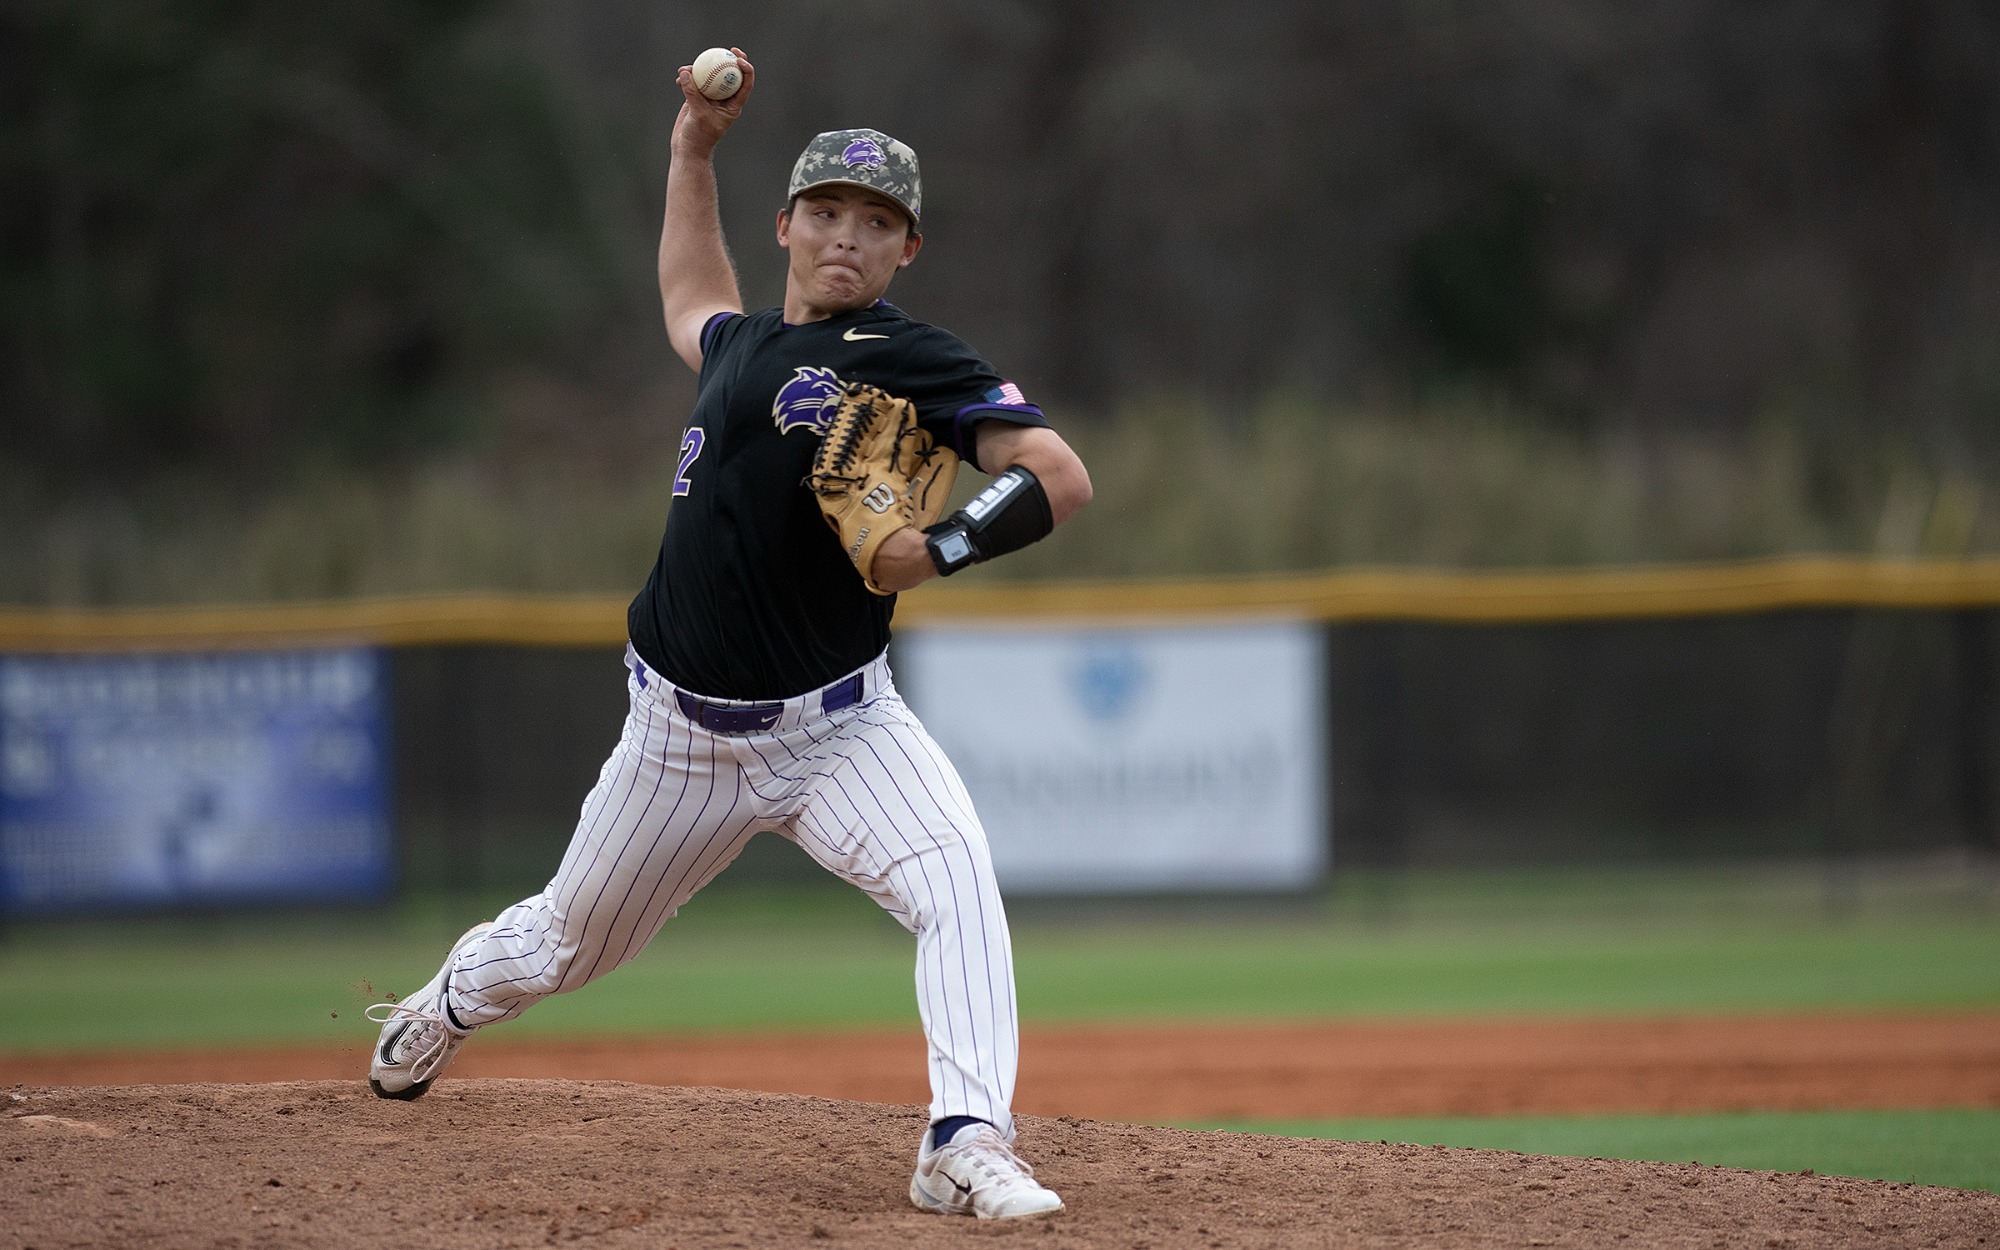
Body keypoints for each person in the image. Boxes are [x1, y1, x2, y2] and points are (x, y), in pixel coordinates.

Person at [363, 48, 1092, 1222]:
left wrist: (937, 547)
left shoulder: (909, 358)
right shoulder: (738, 345)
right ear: (787, 225)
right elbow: (686, 295)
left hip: (841, 728)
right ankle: (444, 1002)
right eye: (825, 211)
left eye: (875, 220)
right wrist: (689, 150)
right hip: (677, 739)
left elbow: (1055, 475)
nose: (846, 235)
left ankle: (961, 1139)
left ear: (907, 249)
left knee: (957, 882)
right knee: (566, 941)